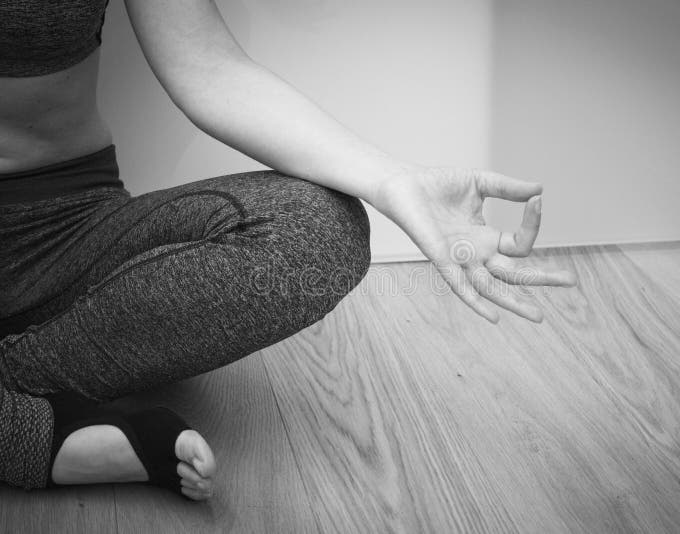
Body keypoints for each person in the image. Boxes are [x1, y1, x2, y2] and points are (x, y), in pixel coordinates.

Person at [0, 0, 577, 502]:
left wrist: (393, 180)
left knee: (320, 230)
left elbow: (207, 65)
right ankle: (29, 435)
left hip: (71, 223)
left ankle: (16, 379)